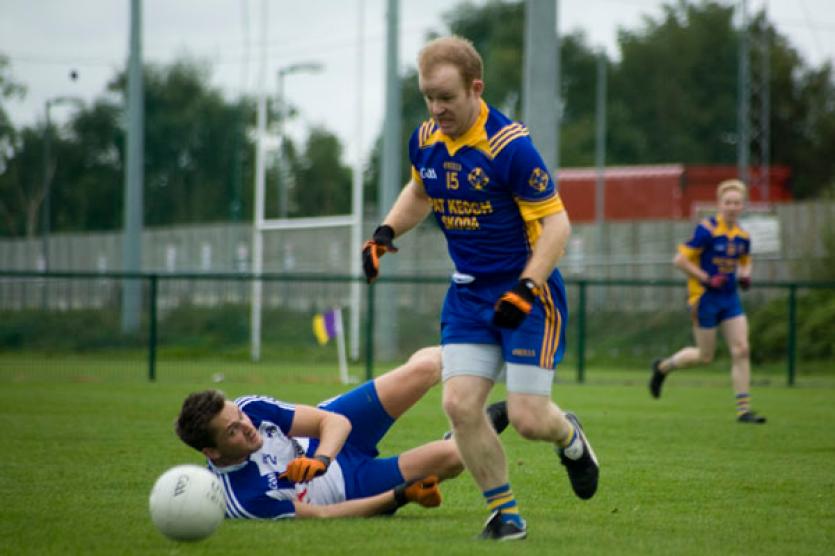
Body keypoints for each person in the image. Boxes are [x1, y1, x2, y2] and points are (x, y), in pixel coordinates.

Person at [362, 36, 598, 541]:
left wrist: (527, 288)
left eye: (446, 96)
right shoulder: (426, 138)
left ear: (476, 88)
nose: (436, 108)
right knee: (459, 405)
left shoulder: (511, 148)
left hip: (528, 295)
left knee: (529, 418)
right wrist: (385, 232)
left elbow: (557, 228)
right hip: (469, 296)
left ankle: (571, 437)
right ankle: (505, 514)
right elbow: (421, 191)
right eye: (428, 96)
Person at [175, 346, 509, 519]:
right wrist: (400, 496)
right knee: (455, 457)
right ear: (213, 453)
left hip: (330, 435)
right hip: (352, 486)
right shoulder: (246, 500)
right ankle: (478, 425)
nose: (247, 427)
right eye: (233, 431)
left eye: (240, 417)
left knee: (424, 369)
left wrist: (321, 458)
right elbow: (324, 515)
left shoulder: (251, 407)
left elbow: (335, 423)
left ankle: (473, 347)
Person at [649, 179, 766, 424]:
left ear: (743, 205)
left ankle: (743, 410)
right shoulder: (707, 230)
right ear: (719, 204)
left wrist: (745, 276)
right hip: (704, 298)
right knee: (705, 356)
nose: (733, 207)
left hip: (729, 298)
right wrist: (706, 278)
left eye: (737, 202)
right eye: (728, 202)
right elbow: (679, 260)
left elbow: (745, 260)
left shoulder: (743, 236)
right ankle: (662, 368)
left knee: (742, 349)